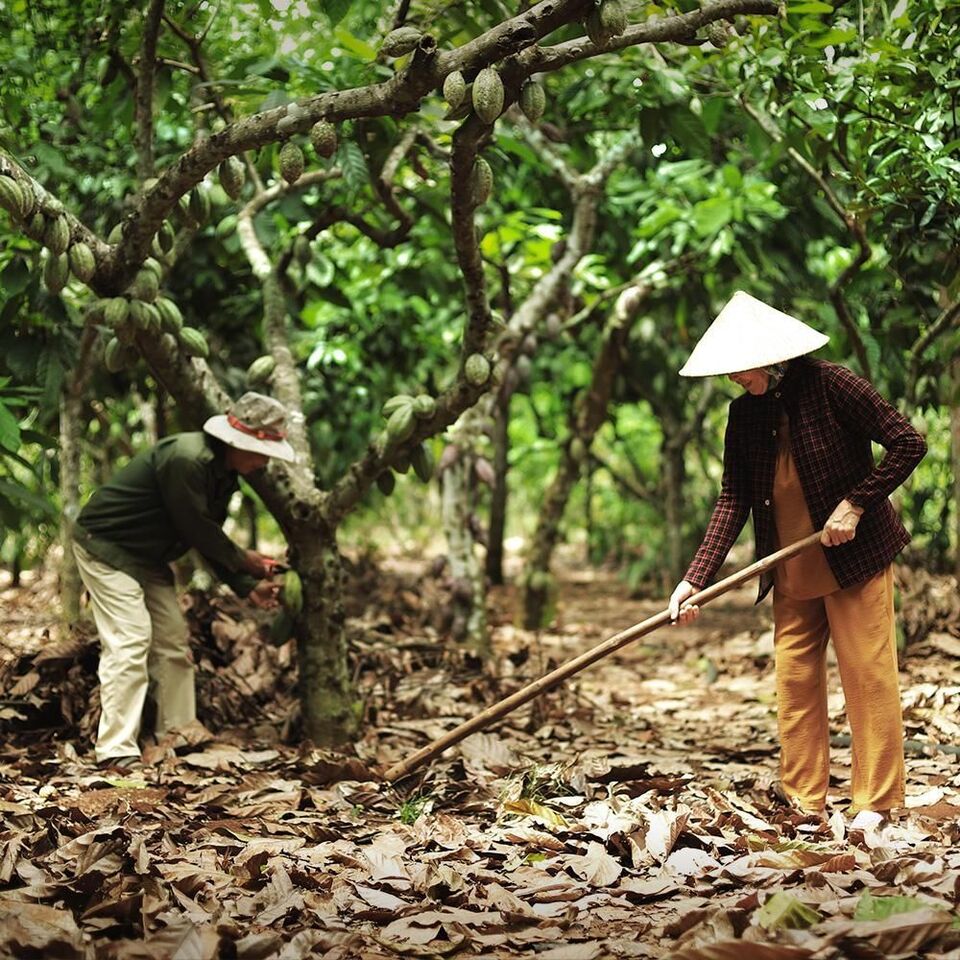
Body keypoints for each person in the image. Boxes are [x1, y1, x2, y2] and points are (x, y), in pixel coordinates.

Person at [668, 292, 926, 826]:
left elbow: (908, 442)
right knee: (795, 681)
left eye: (741, 369)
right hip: (789, 568)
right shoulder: (743, 416)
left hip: (854, 560)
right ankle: (805, 800)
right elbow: (733, 498)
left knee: (867, 676)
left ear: (771, 358)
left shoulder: (834, 386)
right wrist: (695, 579)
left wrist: (855, 503)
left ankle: (875, 804)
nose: (734, 379)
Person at [72, 392, 295, 769]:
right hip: (107, 546)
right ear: (239, 442)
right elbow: (195, 527)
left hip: (149, 556)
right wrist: (247, 562)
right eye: (262, 450)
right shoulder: (188, 459)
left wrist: (246, 586)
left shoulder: (225, 478)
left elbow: (204, 538)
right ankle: (115, 750)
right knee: (130, 639)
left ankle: (178, 734)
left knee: (173, 640)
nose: (265, 461)